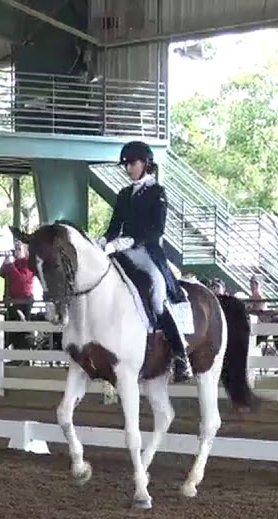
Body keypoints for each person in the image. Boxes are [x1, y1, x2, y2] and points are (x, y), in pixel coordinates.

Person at [101, 140, 191, 382]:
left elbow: (157, 230)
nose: (128, 168)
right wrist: (103, 241)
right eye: (127, 165)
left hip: (148, 252)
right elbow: (113, 227)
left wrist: (129, 241)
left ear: (145, 164)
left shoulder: (157, 192)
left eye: (132, 163)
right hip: (122, 252)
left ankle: (180, 354)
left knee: (157, 293)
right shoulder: (123, 194)